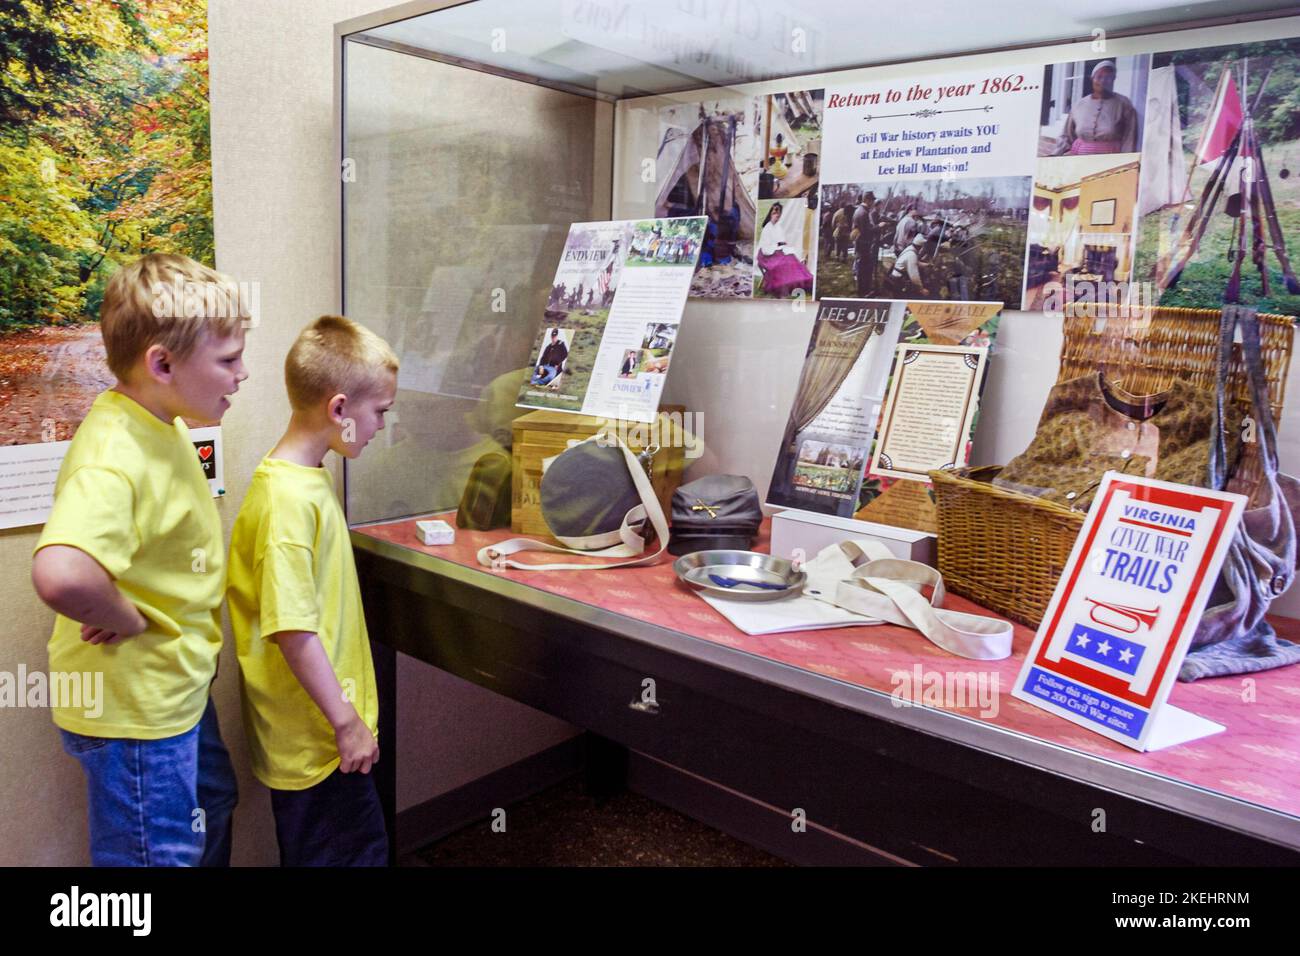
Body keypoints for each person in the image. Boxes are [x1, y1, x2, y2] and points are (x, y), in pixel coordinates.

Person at [31, 253, 248, 866]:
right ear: (162, 363)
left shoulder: (163, 421)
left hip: (173, 686)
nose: (243, 374)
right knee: (158, 858)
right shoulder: (114, 450)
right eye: (229, 360)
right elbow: (62, 572)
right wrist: (125, 616)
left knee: (213, 804)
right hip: (137, 709)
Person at [227, 315, 397, 866]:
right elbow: (292, 629)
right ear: (340, 409)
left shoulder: (306, 480)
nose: (380, 427)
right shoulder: (287, 504)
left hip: (326, 734)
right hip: (320, 742)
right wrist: (347, 725)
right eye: (380, 413)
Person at [1051, 60, 1139, 155]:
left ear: (1114, 79)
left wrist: (1126, 161)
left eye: (1108, 77)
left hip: (1110, 156)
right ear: (1092, 79)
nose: (1103, 81)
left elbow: (1129, 138)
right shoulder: (1079, 105)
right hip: (1080, 157)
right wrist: (1057, 153)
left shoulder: (1123, 104)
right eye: (1099, 77)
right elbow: (1067, 135)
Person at [756, 201, 814, 297]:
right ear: (770, 214)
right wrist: (777, 246)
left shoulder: (778, 227)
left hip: (778, 251)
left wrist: (781, 244)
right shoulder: (767, 228)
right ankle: (784, 285)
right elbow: (765, 248)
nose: (776, 216)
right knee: (783, 263)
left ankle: (801, 281)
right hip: (767, 255)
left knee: (792, 258)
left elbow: (781, 241)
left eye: (778, 214)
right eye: (774, 213)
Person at [852, 191, 880, 296]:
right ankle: (864, 292)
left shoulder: (860, 210)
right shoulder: (863, 213)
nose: (873, 202)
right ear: (867, 200)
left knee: (862, 269)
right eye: (872, 200)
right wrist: (879, 227)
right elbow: (866, 231)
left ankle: (862, 291)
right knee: (864, 270)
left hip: (861, 244)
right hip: (864, 245)